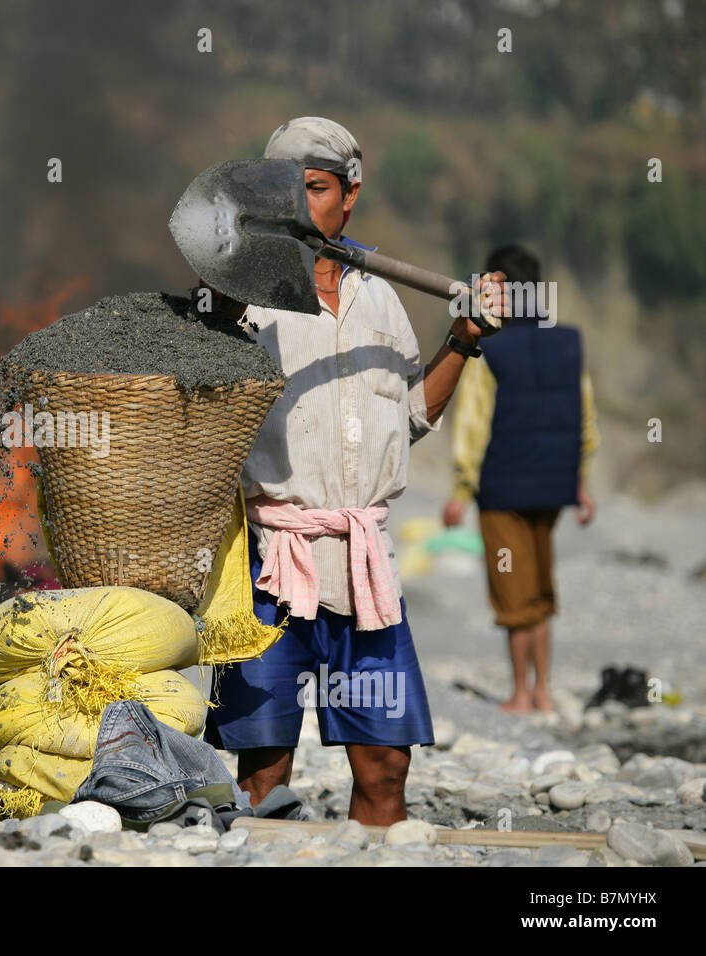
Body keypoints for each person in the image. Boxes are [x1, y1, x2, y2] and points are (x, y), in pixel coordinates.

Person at [202, 116, 507, 825]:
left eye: (312, 188)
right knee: (264, 769)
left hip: (363, 562)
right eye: (282, 191)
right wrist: (217, 294)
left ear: (350, 195)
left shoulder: (383, 302)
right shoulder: (242, 303)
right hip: (271, 564)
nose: (297, 205)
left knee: (384, 765)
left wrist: (463, 343)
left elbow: (407, 420)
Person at [441, 244, 598, 714]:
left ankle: (521, 693)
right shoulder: (569, 343)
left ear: (503, 287)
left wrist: (460, 491)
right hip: (553, 488)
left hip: (504, 489)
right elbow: (585, 418)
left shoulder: (490, 347)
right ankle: (544, 690)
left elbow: (472, 422)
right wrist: (582, 483)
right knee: (540, 586)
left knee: (513, 591)